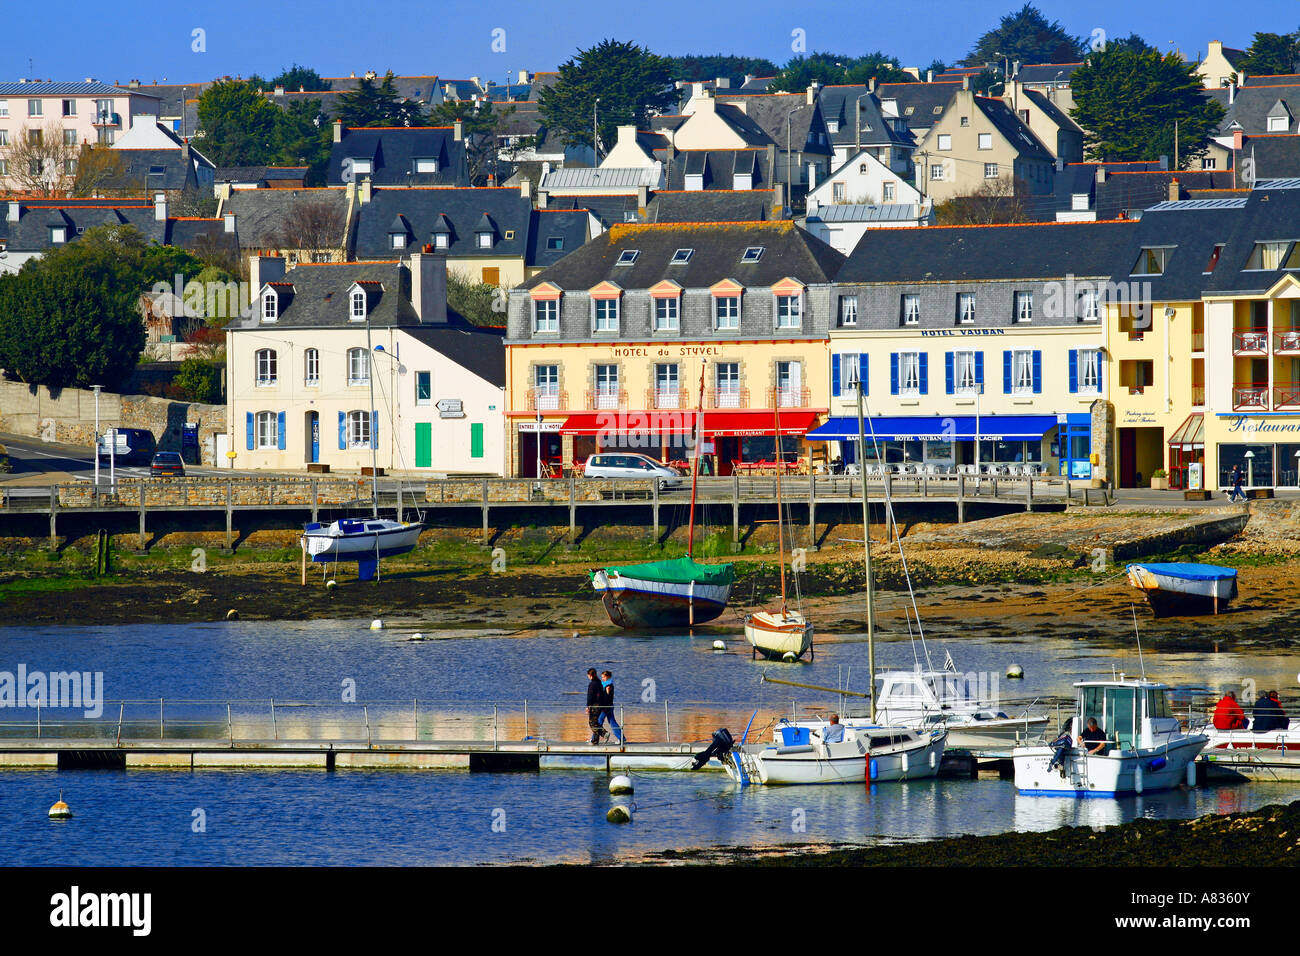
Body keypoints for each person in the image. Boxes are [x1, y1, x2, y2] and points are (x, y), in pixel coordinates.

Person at [597, 670, 625, 744]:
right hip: (609, 706)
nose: (602, 678)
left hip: (606, 707)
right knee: (612, 722)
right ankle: (622, 738)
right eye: (602, 677)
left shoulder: (608, 686)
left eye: (603, 677)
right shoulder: (605, 684)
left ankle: (594, 739)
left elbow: (607, 697)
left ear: (608, 677)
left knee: (598, 721)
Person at [586, 668, 606, 745]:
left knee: (592, 723)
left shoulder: (592, 684)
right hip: (600, 704)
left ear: (590, 675)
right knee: (596, 722)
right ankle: (595, 740)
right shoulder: (599, 683)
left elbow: (590, 696)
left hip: (594, 705)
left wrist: (588, 706)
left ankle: (604, 733)